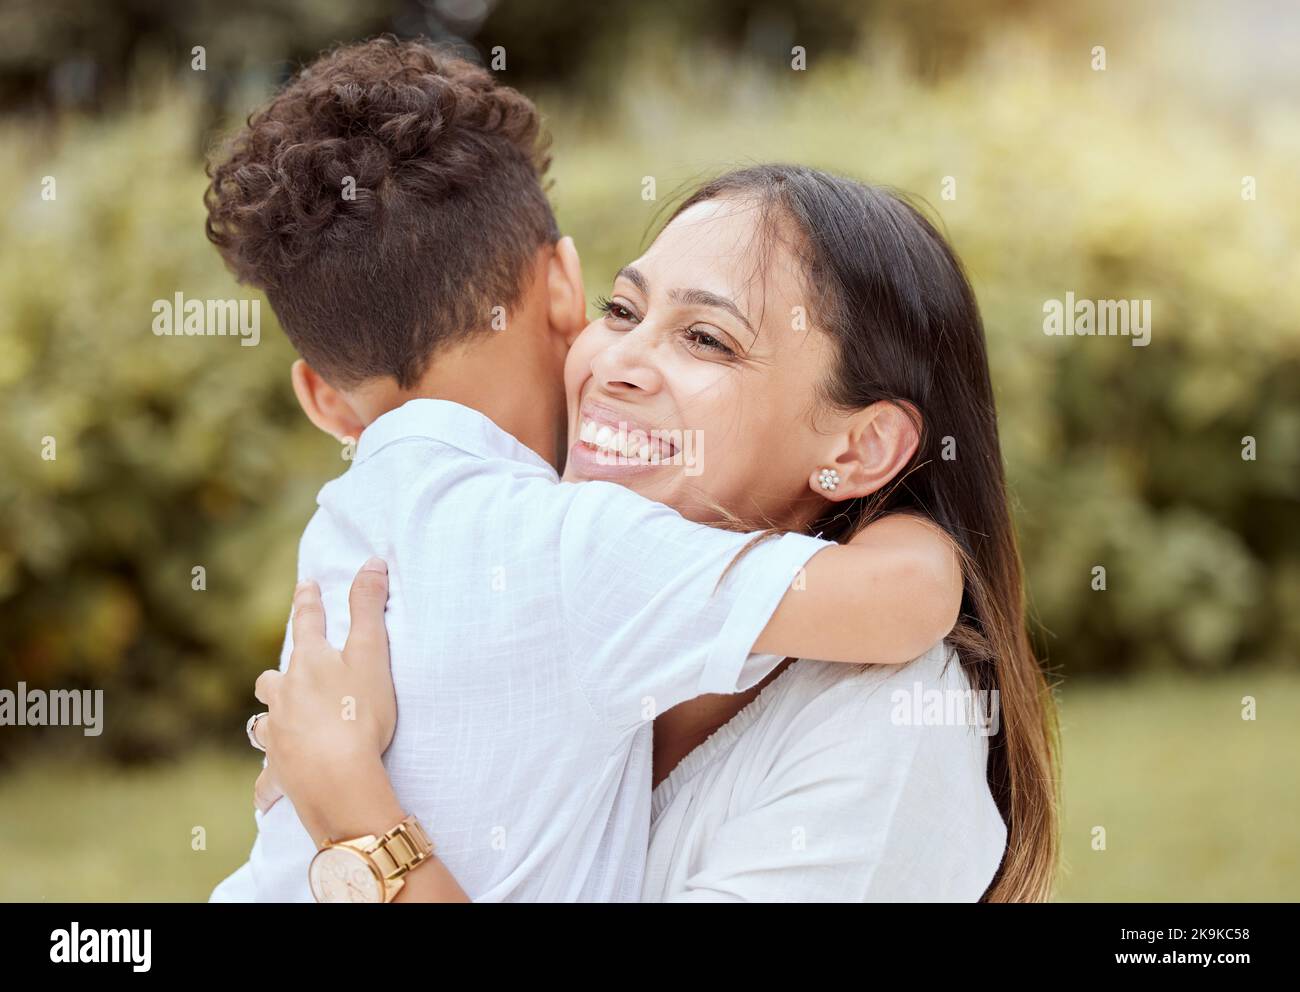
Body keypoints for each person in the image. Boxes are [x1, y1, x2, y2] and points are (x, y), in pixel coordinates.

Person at [205, 38, 964, 904]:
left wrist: (355, 814)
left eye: (706, 337)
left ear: (323, 401)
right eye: (624, 310)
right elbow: (905, 598)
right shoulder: (584, 555)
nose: (619, 364)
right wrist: (918, 531)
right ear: (563, 286)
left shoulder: (345, 541)